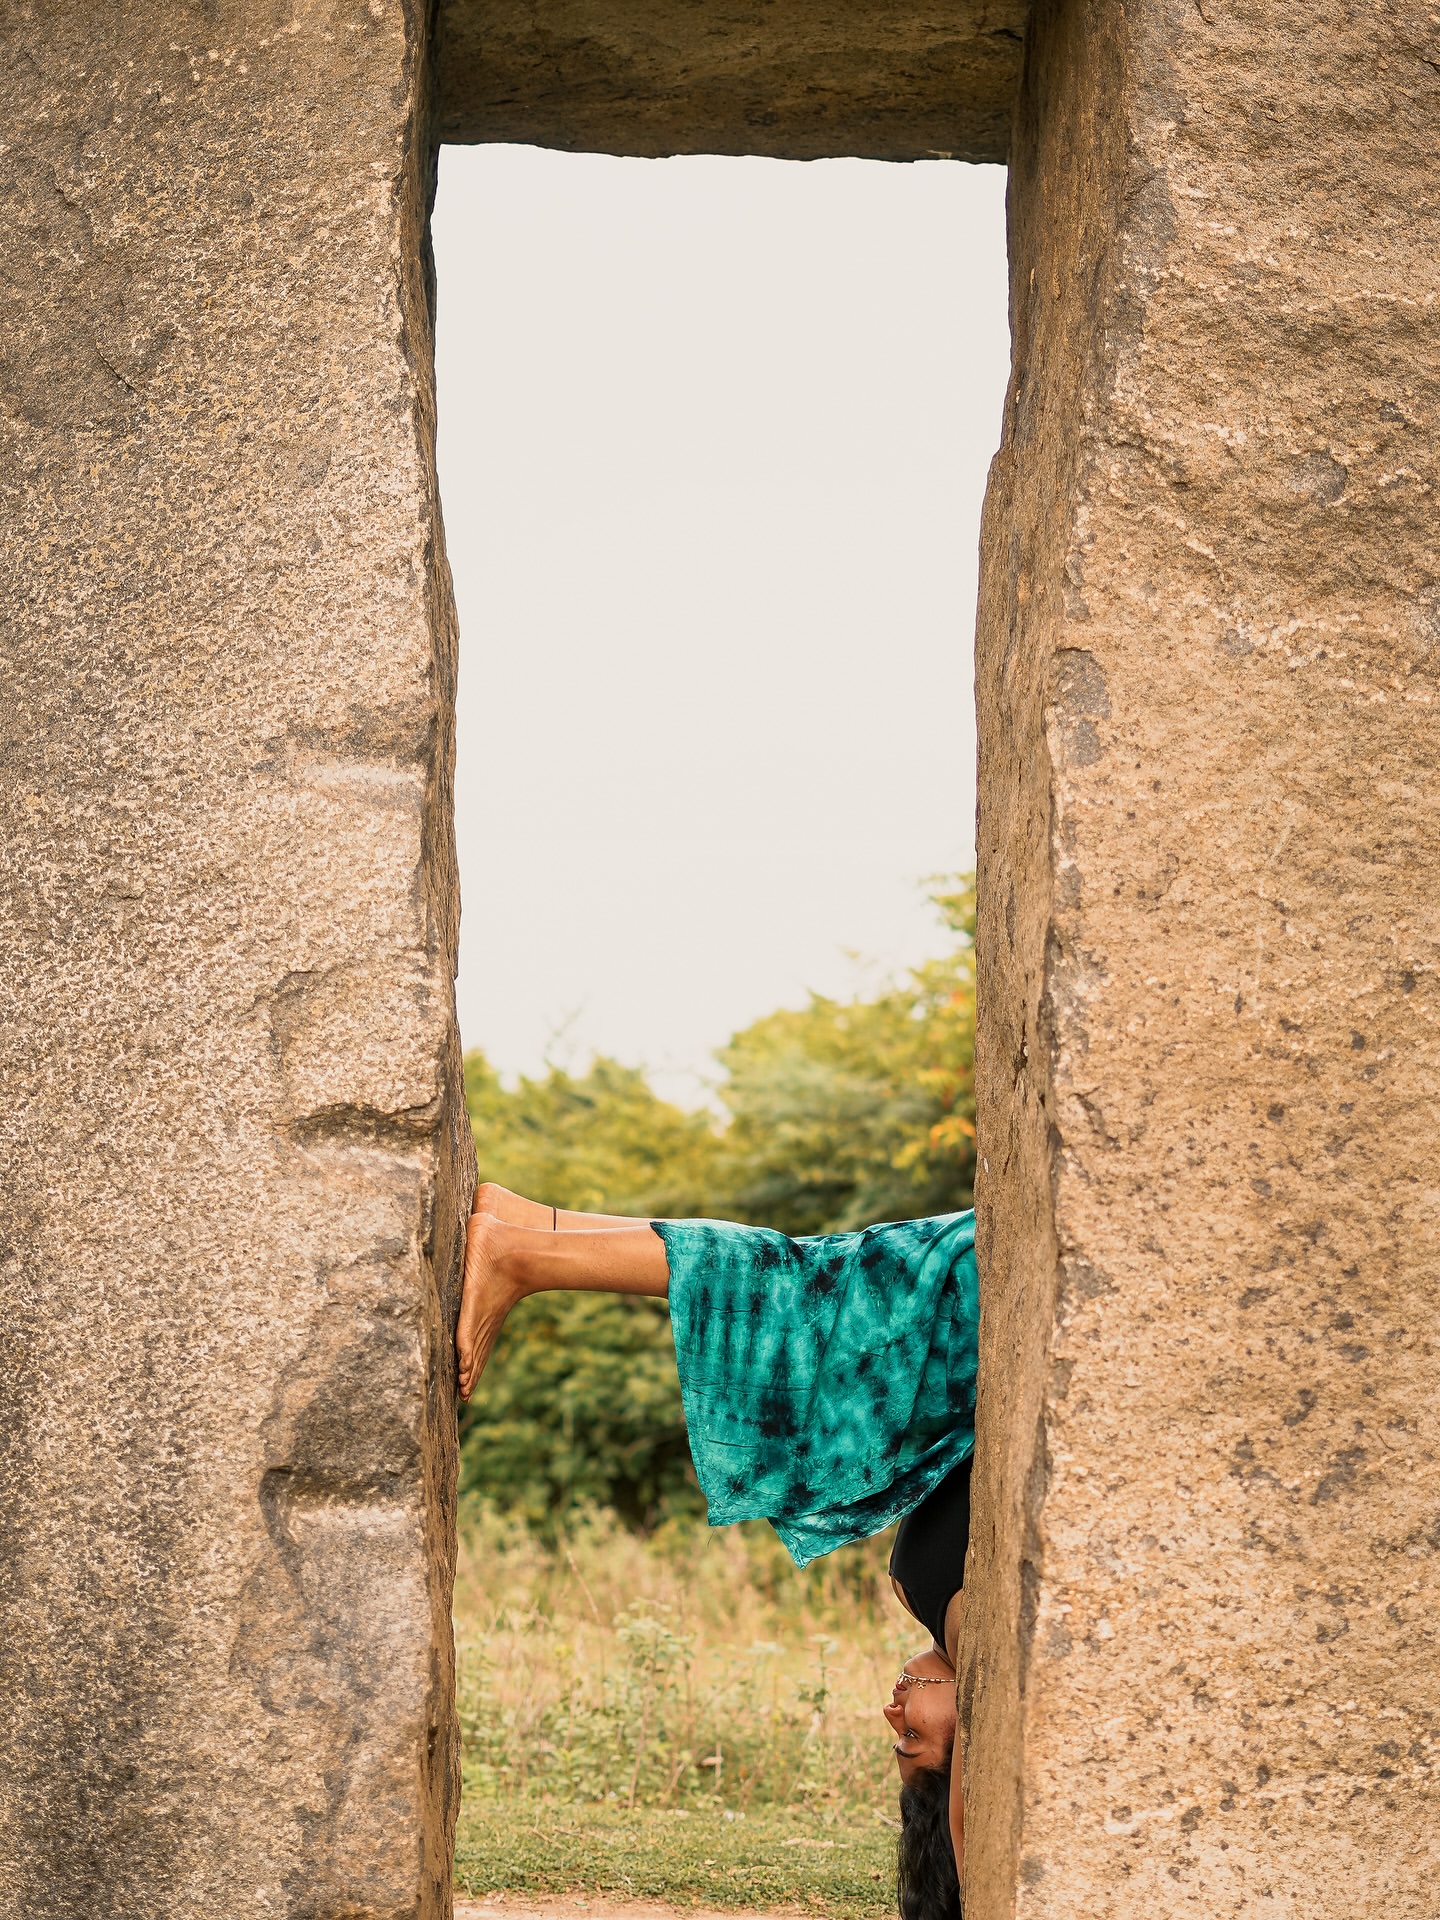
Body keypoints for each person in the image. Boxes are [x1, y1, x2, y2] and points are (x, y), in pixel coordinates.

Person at [458, 1183, 977, 1916]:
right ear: (969, 1766)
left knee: (809, 1278)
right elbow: (968, 1832)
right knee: (796, 1297)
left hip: (969, 1319)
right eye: (912, 1744)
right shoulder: (978, 1641)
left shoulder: (949, 1616)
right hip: (983, 1312)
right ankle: (522, 1250)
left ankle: (534, 1232)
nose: (894, 1717)